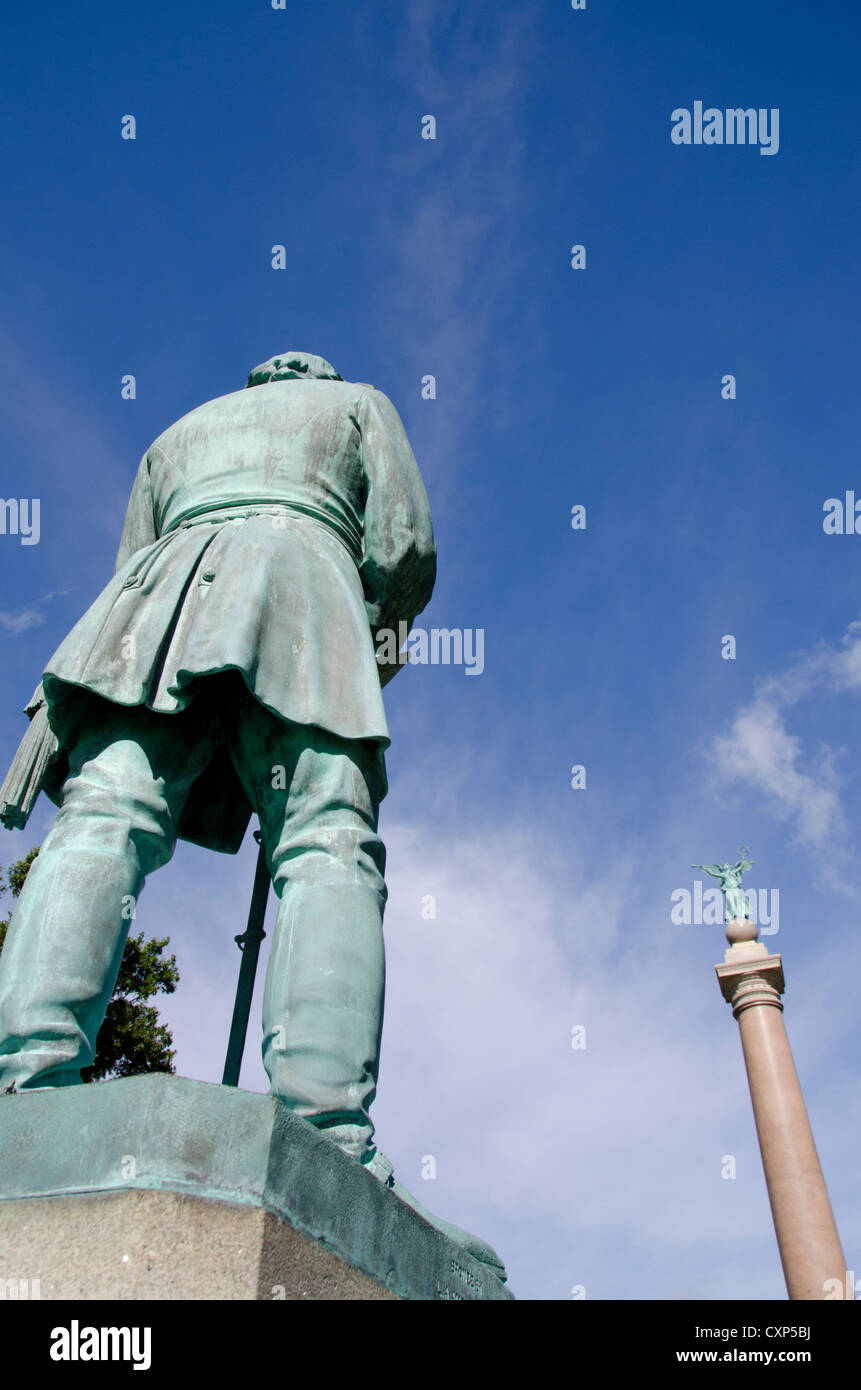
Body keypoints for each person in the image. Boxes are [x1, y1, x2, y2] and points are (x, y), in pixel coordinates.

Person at [0, 350, 506, 1277]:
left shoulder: (173, 435)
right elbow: (404, 551)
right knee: (325, 845)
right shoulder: (359, 405)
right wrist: (360, 645)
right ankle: (330, 1135)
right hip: (303, 584)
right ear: (313, 377)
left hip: (143, 615)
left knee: (101, 820)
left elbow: (134, 557)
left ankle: (20, 1089)